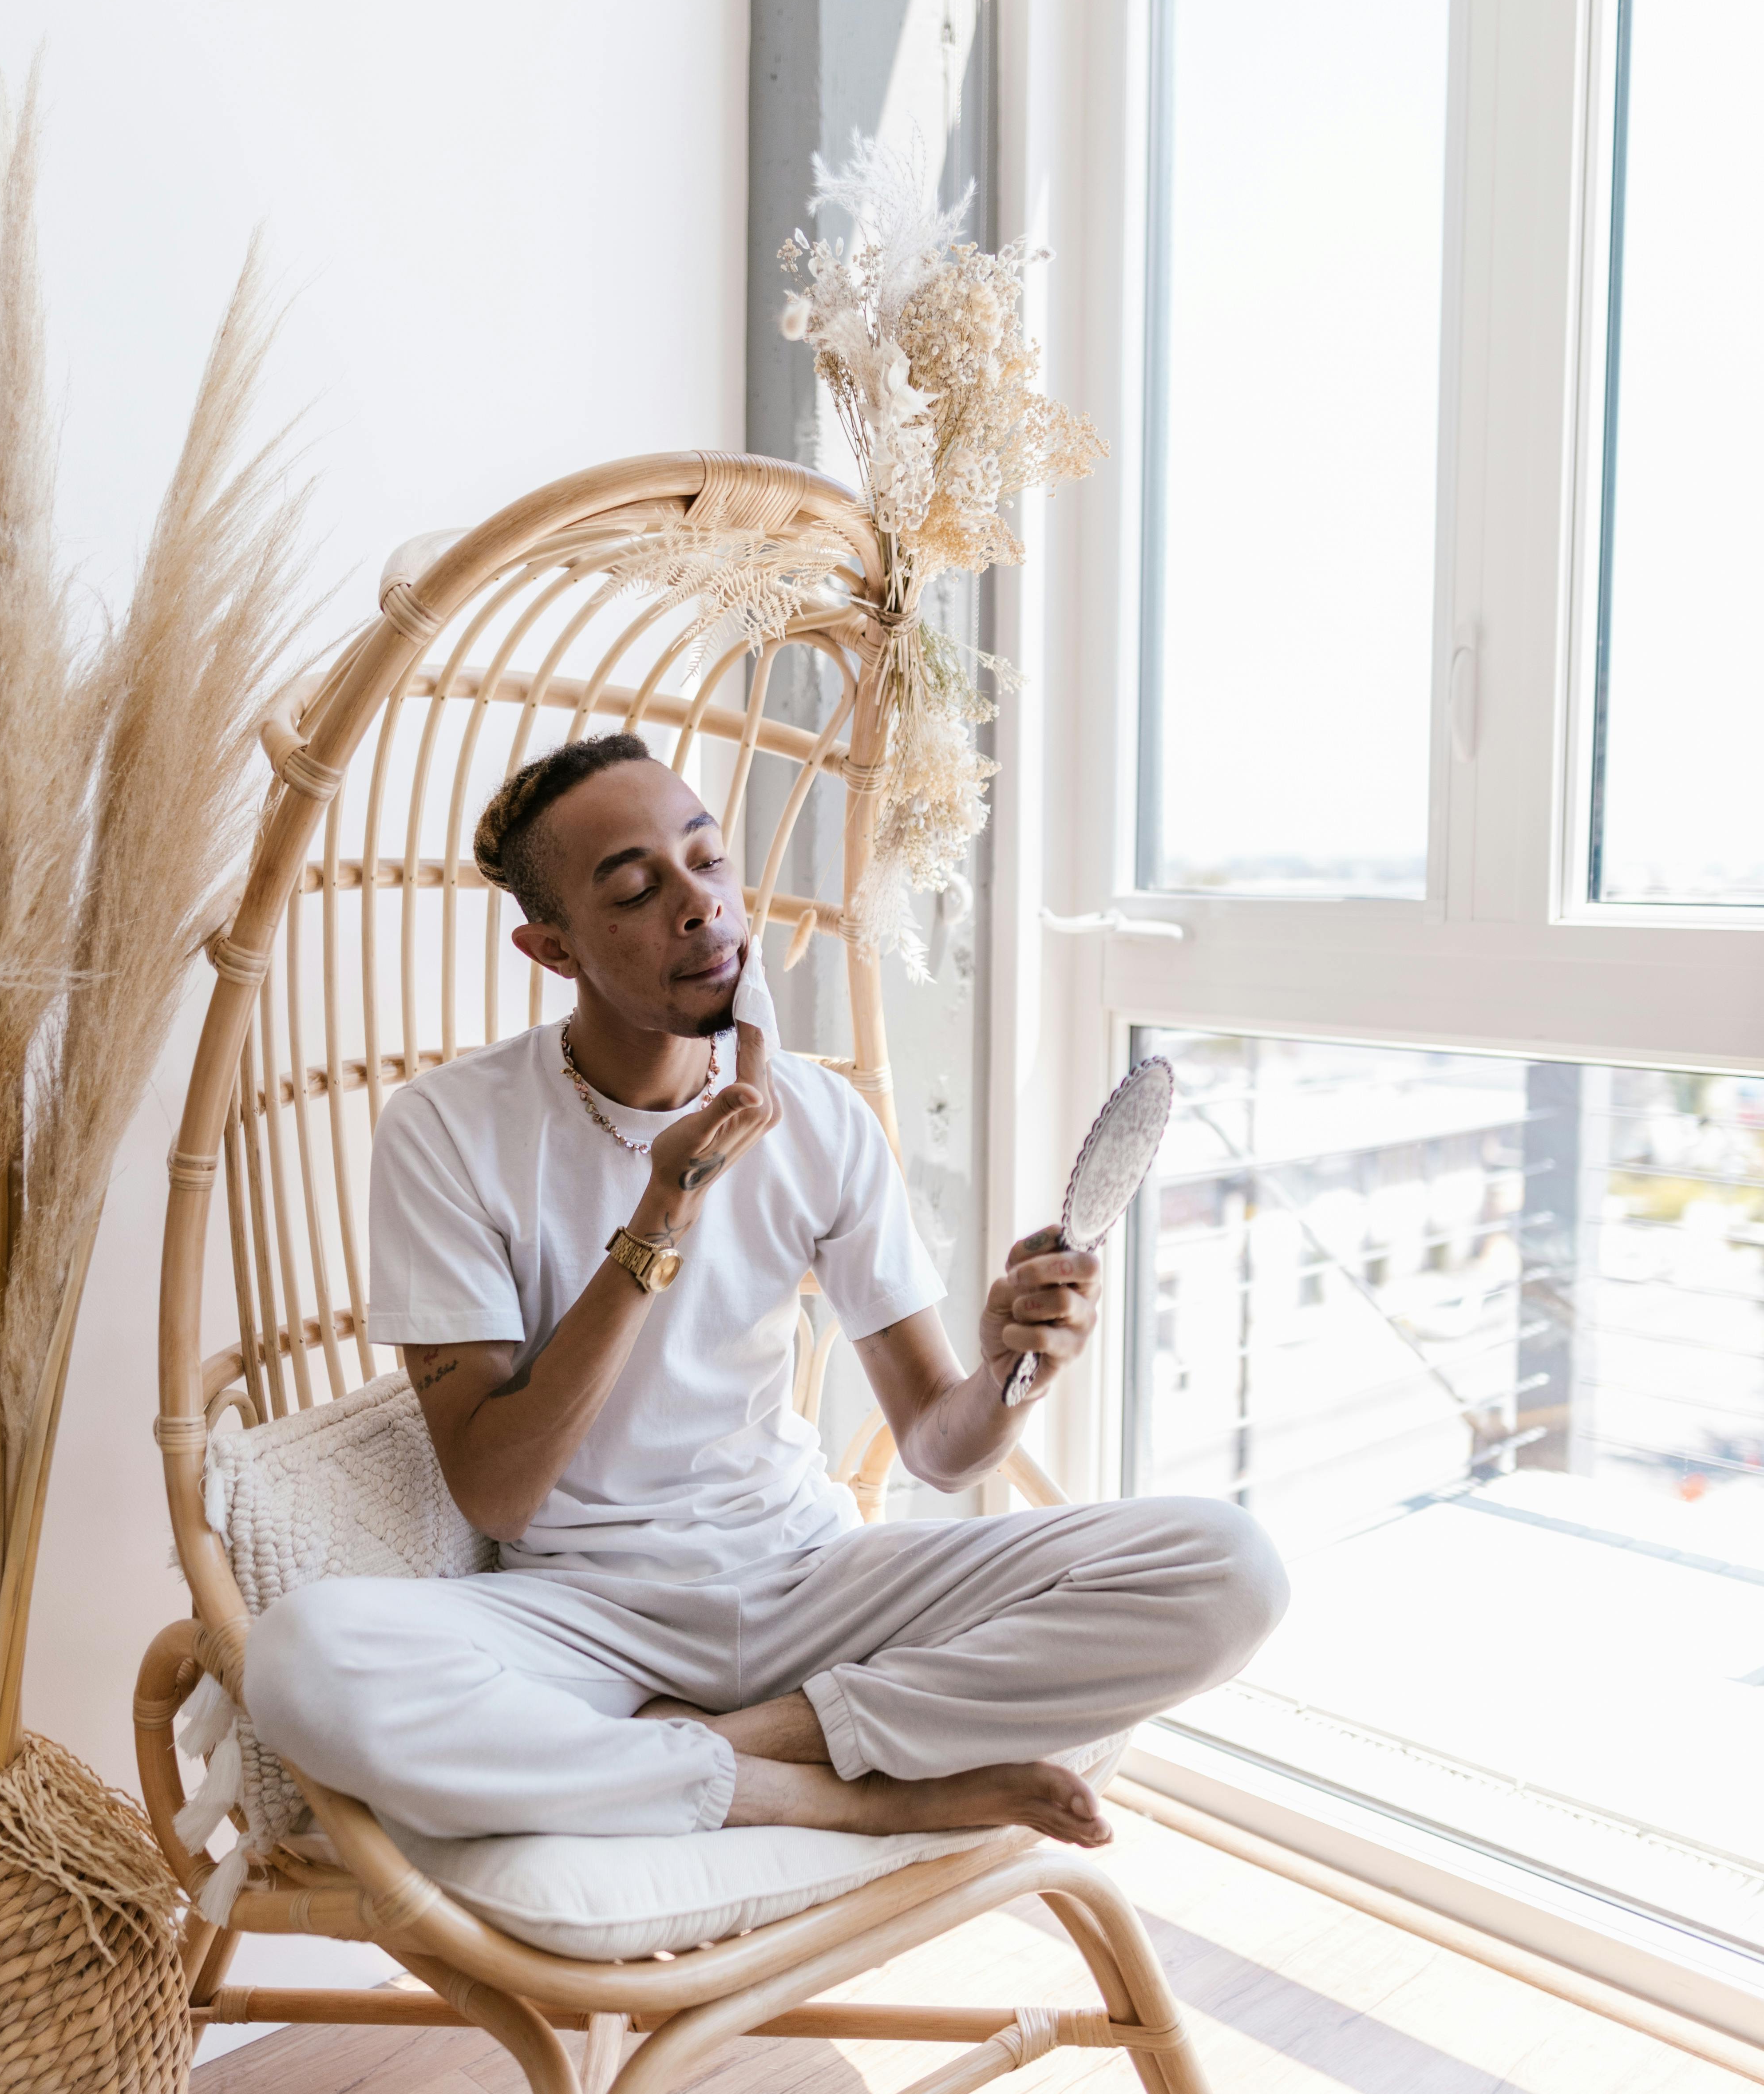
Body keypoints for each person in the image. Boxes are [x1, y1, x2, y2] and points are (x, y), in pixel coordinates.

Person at [246, 732, 1287, 1852]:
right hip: (594, 1619)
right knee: (305, 1658)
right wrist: (659, 1218)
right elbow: (496, 1494)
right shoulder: (447, 1130)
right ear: (551, 949)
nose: (698, 907)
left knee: (1228, 1570)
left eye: (708, 862)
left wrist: (1007, 1370)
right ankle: (850, 1791)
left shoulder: (823, 1117)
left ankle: (755, 1742)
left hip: (812, 1579)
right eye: (639, 891)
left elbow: (940, 1451)